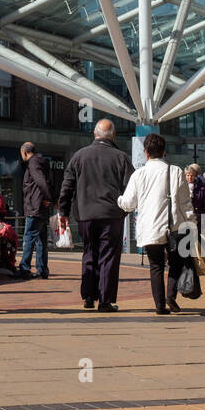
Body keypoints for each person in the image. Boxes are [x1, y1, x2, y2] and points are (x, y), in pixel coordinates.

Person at [58, 119, 135, 312]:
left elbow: (67, 186)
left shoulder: (79, 156)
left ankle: (88, 296)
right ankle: (105, 300)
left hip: (85, 215)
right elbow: (132, 188)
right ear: (113, 136)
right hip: (111, 215)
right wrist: (125, 210)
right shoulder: (121, 157)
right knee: (108, 256)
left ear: (94, 134)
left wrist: (63, 212)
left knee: (89, 253)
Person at [118, 132, 193, 315]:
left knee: (156, 267)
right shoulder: (175, 171)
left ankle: (160, 306)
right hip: (174, 226)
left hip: (150, 228)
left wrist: (118, 199)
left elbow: (128, 204)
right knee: (176, 263)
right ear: (164, 151)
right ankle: (170, 295)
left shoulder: (139, 174)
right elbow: (185, 203)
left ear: (146, 153)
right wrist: (192, 223)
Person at [17, 141, 54, 279]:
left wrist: (48, 198)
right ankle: (42, 270)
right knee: (41, 239)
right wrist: (49, 199)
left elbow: (41, 181)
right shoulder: (41, 161)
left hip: (34, 207)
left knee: (29, 238)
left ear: (24, 152)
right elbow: (46, 182)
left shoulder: (33, 163)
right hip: (40, 207)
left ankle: (24, 268)